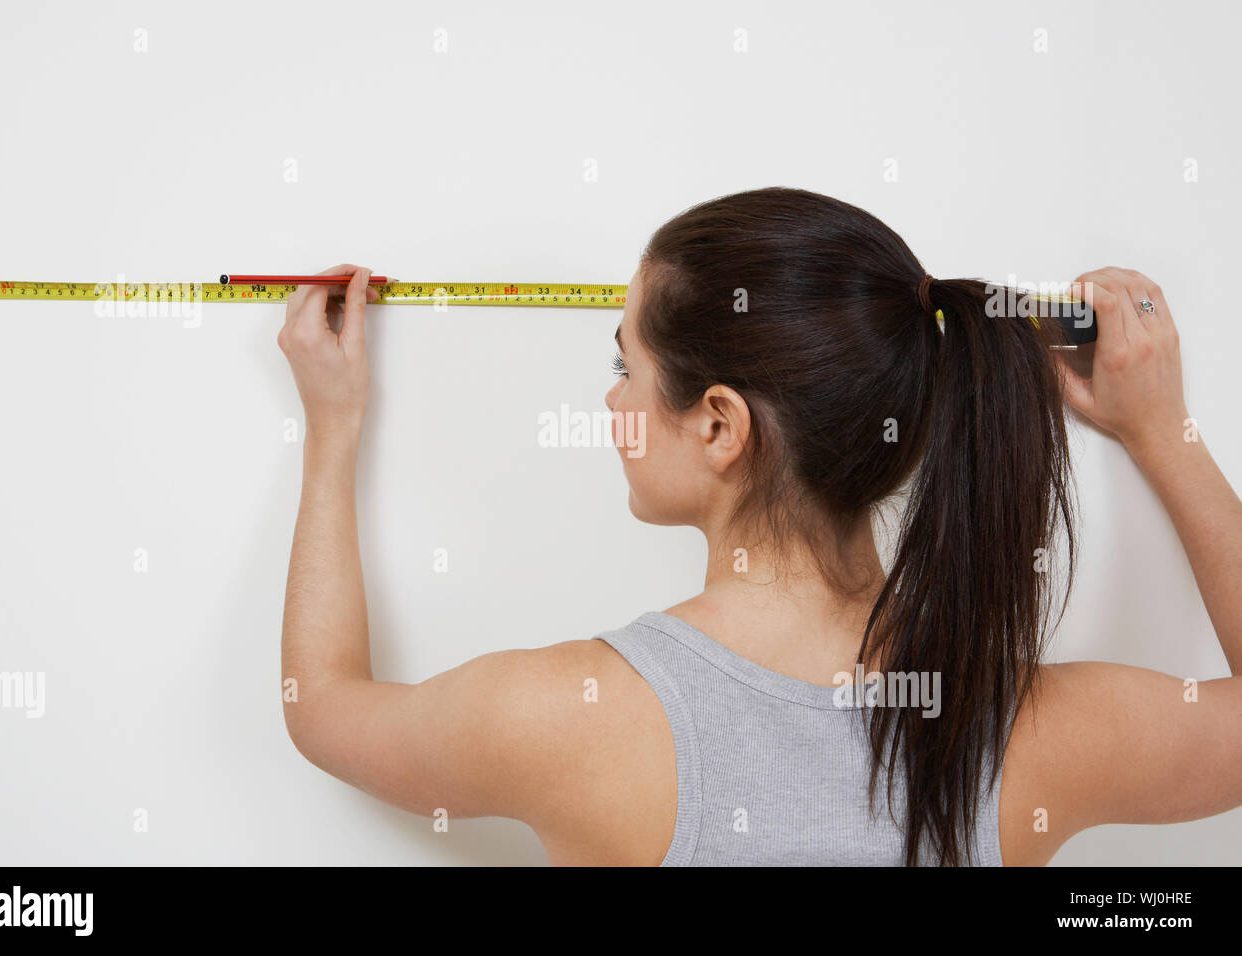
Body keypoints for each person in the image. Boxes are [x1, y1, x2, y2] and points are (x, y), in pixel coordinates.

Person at [275, 187, 1242, 866]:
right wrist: (1167, 433)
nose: (611, 405)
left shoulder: (569, 720)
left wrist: (332, 428)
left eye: (627, 369)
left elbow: (318, 705)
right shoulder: (1027, 735)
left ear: (720, 423)